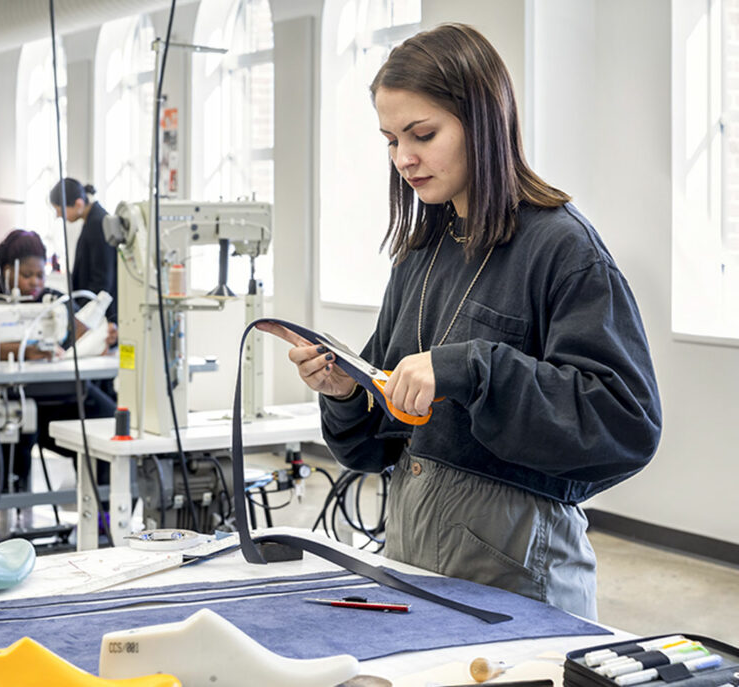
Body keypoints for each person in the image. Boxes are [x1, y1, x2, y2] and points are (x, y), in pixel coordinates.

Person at [258, 23, 661, 620]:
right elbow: (373, 448)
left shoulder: (561, 247)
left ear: (484, 121)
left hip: (518, 563)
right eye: (391, 140)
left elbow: (624, 423)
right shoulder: (421, 252)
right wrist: (345, 392)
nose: (404, 158)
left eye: (423, 134)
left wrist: (471, 369)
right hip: (413, 547)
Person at [0, 229, 118, 497]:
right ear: (7, 271)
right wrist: (24, 351)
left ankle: (103, 507)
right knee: (11, 434)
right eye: (27, 275)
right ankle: (2, 503)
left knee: (109, 421)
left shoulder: (54, 300)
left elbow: (75, 338)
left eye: (40, 275)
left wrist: (102, 341)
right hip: (10, 398)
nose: (35, 283)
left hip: (59, 396)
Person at [49, 179, 118, 323]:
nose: (58, 216)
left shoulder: (98, 223)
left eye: (60, 210)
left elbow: (101, 280)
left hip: (99, 315)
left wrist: (84, 317)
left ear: (78, 204)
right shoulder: (91, 221)